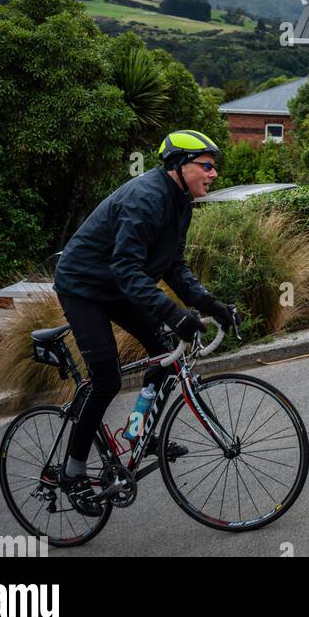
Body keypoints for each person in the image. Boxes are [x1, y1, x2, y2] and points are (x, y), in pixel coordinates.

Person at [52, 130, 235, 514]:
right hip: (83, 286)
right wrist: (172, 313)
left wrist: (213, 306)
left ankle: (140, 433)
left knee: (165, 355)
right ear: (178, 166)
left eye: (213, 166)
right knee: (106, 377)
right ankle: (72, 470)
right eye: (206, 165)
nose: (213, 173)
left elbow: (174, 267)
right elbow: (126, 267)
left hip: (118, 286)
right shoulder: (145, 197)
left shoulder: (181, 202)